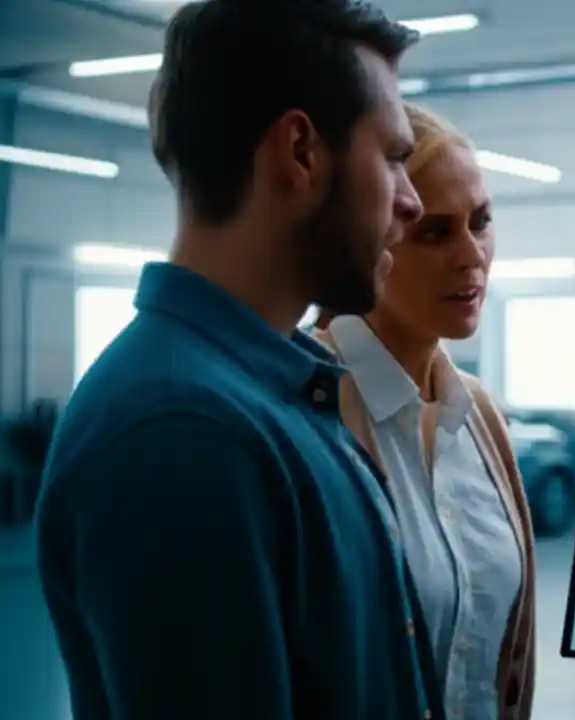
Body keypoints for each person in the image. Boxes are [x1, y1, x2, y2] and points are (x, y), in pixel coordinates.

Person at [34, 2, 447, 719]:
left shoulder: (278, 393)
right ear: (299, 152)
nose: (410, 203)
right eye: (391, 158)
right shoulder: (182, 433)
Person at [312, 103, 537, 720]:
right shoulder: (302, 405)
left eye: (481, 222)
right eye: (434, 232)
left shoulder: (481, 414)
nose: (474, 257)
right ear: (368, 238)